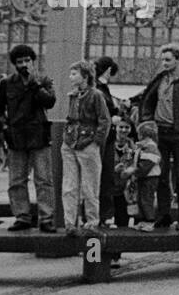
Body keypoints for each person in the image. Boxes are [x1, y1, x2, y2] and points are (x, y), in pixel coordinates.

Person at [0, 44, 57, 232]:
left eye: (27, 60)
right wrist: (5, 127)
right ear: (15, 64)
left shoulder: (43, 80)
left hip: (39, 136)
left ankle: (46, 218)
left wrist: (35, 85)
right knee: (16, 180)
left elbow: (50, 102)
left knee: (44, 179)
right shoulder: (6, 84)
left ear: (33, 61)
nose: (24, 65)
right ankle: (22, 216)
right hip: (16, 137)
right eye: (20, 62)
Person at [141, 44, 179, 230]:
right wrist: (147, 121)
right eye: (163, 60)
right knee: (161, 176)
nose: (164, 63)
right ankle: (163, 214)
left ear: (178, 60)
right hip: (161, 132)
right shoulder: (160, 79)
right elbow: (147, 99)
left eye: (168, 60)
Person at [60, 60, 111, 235]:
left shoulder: (96, 95)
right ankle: (70, 222)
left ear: (85, 76)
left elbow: (104, 119)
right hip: (70, 142)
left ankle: (91, 221)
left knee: (90, 186)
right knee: (69, 185)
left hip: (87, 143)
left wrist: (97, 141)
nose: (71, 77)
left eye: (74, 74)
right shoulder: (73, 95)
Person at [93, 56, 120, 227]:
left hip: (101, 137)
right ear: (109, 70)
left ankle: (96, 215)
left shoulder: (96, 87)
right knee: (105, 177)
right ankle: (105, 215)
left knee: (100, 176)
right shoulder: (101, 89)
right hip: (104, 137)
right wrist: (113, 117)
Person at [122, 120, 162, 231]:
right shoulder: (142, 147)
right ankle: (143, 220)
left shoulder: (150, 148)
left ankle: (150, 221)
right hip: (143, 177)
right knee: (140, 199)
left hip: (150, 178)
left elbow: (146, 165)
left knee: (147, 199)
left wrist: (134, 172)